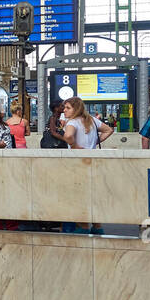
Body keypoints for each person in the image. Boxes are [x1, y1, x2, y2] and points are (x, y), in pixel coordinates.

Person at [61, 97, 113, 235]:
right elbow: (109, 130)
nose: (64, 110)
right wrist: (94, 143)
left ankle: (82, 226)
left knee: (79, 196)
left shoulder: (72, 122)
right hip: (92, 162)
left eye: (67, 108)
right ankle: (97, 226)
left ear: (76, 109)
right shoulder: (92, 120)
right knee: (92, 195)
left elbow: (67, 136)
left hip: (77, 164)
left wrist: (74, 146)